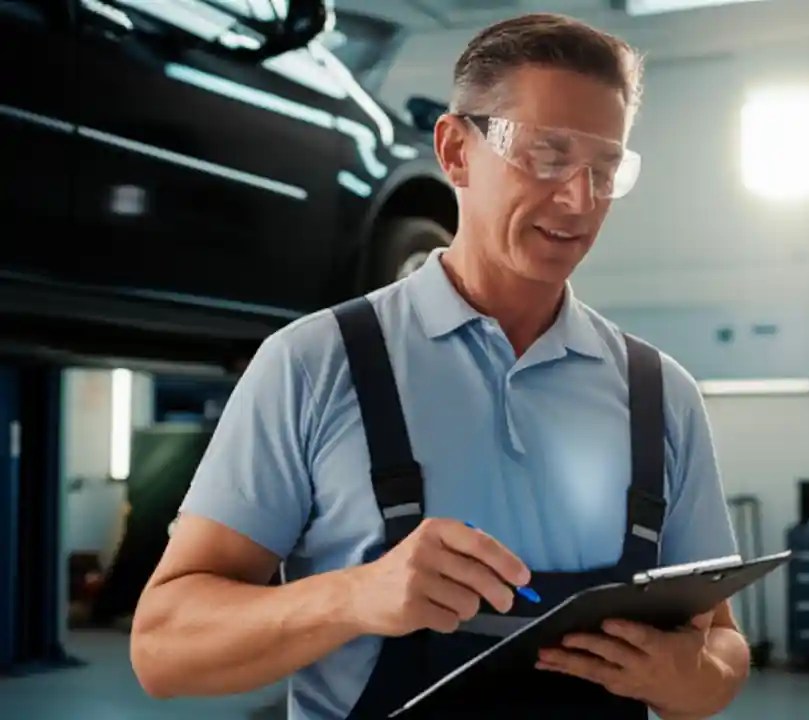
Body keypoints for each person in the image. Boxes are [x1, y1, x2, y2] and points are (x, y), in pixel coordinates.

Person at [129, 13, 750, 720]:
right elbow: (162, 648)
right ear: (455, 151)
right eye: (546, 156)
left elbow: (723, 651)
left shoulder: (660, 395)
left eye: (604, 171)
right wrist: (353, 596)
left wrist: (683, 677)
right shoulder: (314, 365)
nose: (579, 201)